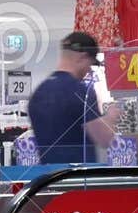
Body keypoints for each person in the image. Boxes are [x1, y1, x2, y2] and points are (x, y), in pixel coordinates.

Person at [28, 32, 117, 164]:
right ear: (82, 58)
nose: (89, 70)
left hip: (48, 178)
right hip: (78, 178)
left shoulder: (38, 93)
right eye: (90, 64)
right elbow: (103, 139)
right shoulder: (82, 93)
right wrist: (111, 116)